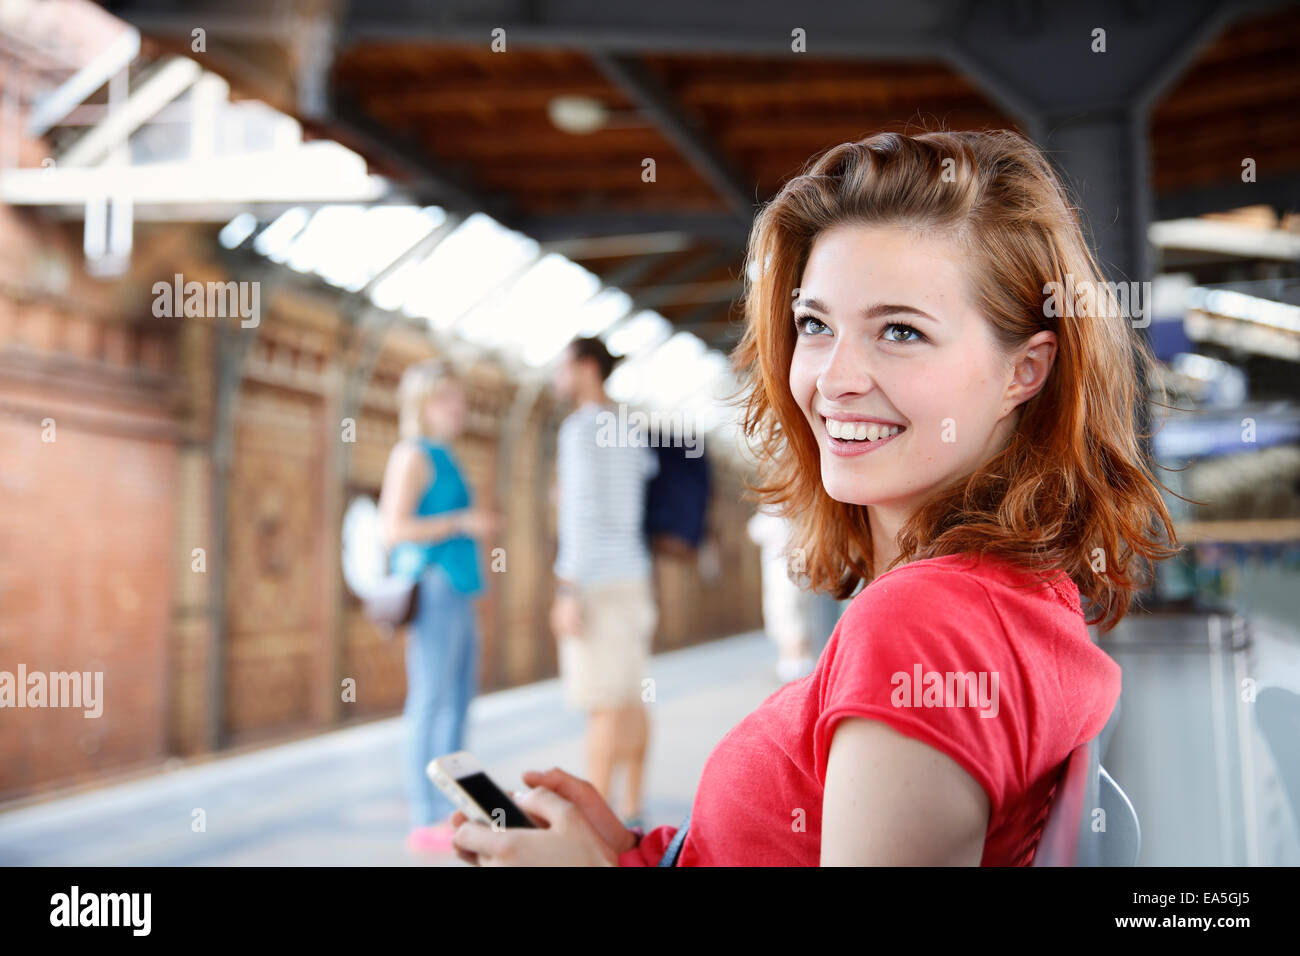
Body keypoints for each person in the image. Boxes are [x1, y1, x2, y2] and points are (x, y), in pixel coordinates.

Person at [449, 128, 1178, 866]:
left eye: (900, 330)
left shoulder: (922, 624)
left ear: (1024, 371)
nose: (834, 378)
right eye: (815, 325)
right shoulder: (1026, 594)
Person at [378, 359, 496, 855]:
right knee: (431, 702)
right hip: (433, 588)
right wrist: (461, 522)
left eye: (459, 397)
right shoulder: (413, 455)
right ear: (422, 405)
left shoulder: (447, 455)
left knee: (458, 703)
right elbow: (393, 529)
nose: (459, 407)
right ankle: (426, 815)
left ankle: (455, 806)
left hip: (459, 590)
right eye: (447, 398)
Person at [547, 336, 659, 830]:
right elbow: (640, 486)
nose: (557, 376)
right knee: (631, 695)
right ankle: (632, 805)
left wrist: (567, 589)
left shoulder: (579, 430)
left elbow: (581, 511)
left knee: (603, 704)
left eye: (562, 365)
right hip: (634, 574)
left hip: (595, 580)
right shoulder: (628, 425)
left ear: (587, 367)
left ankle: (595, 820)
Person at [746, 505, 817, 682]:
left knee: (789, 616)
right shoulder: (797, 512)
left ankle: (795, 660)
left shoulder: (778, 510)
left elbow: (754, 531)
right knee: (794, 616)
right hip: (794, 577)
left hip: (785, 578)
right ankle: (797, 659)